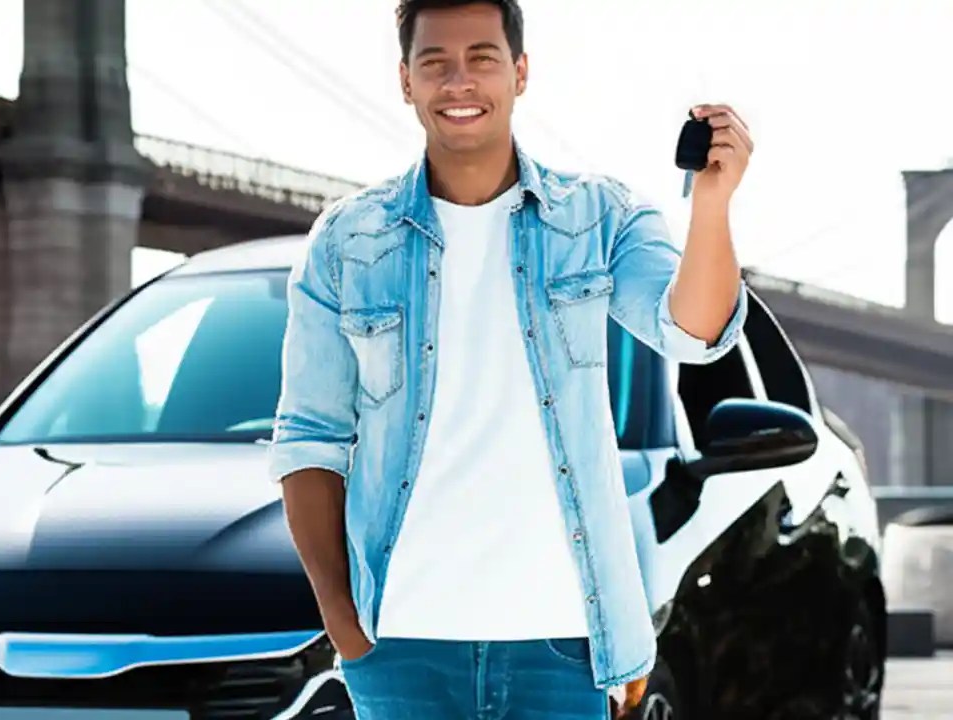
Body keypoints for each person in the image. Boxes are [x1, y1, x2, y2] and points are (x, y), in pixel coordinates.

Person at [267, 0, 752, 717]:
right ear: (406, 81)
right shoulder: (345, 242)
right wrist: (345, 621)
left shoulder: (599, 219)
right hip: (401, 650)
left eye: (483, 59)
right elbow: (311, 438)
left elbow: (693, 332)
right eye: (435, 63)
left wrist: (712, 202)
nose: (459, 82)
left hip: (561, 646)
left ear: (520, 72)